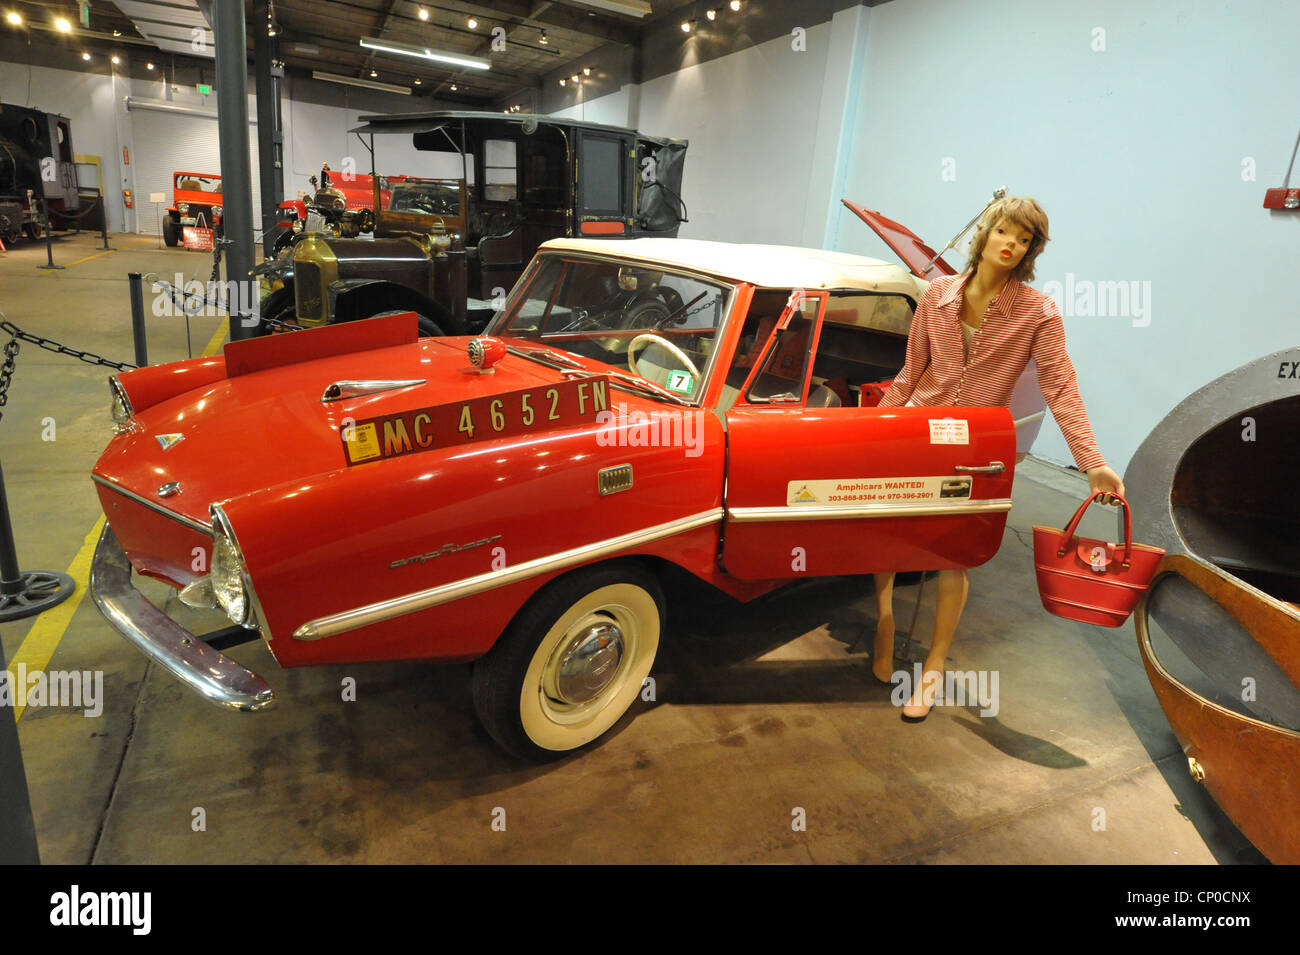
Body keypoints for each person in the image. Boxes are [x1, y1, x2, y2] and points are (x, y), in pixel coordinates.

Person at [871, 196, 1124, 720]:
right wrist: (876, 429)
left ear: (1032, 249)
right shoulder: (937, 294)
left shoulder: (1038, 311)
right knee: (888, 533)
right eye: (1004, 231)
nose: (1011, 244)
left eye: (1024, 238)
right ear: (983, 235)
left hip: (977, 446)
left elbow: (1061, 386)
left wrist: (1090, 460)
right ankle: (883, 619)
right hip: (917, 431)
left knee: (955, 555)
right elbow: (909, 373)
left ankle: (935, 666)